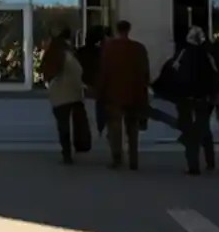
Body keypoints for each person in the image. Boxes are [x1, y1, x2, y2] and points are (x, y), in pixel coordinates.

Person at [96, 20, 150, 170]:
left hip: (114, 95)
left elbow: (104, 72)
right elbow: (145, 74)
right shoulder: (139, 48)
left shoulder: (109, 48)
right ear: (129, 29)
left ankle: (117, 158)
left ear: (117, 30)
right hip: (135, 94)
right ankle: (134, 159)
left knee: (115, 128)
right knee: (132, 128)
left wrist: (100, 92)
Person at [172, 25, 219, 175]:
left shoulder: (184, 53)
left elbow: (175, 72)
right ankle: (210, 160)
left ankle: (193, 164)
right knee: (204, 127)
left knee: (189, 131)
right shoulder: (208, 53)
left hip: (187, 97)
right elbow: (216, 75)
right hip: (204, 97)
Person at [42, 30, 86, 164]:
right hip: (71, 94)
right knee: (72, 124)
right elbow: (75, 72)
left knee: (63, 125)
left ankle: (66, 152)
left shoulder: (53, 54)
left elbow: (47, 72)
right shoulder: (67, 55)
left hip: (59, 95)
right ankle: (71, 150)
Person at [75, 25, 108, 135]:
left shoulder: (81, 52)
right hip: (100, 88)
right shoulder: (103, 53)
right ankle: (100, 129)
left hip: (84, 87)